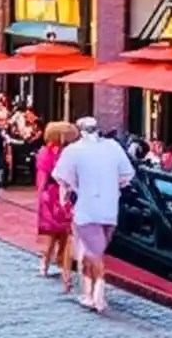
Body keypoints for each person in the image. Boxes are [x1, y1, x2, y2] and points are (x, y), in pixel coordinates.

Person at [51, 116, 135, 313]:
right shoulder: (113, 147)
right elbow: (126, 175)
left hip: (87, 207)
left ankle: (98, 293)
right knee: (94, 250)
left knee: (93, 252)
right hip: (109, 206)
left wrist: (75, 188)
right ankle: (89, 292)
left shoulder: (74, 150)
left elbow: (61, 177)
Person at [36, 121, 78, 291]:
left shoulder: (58, 152)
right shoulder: (49, 153)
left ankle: (55, 265)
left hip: (59, 194)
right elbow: (43, 177)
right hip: (54, 194)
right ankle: (50, 264)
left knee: (59, 233)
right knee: (55, 233)